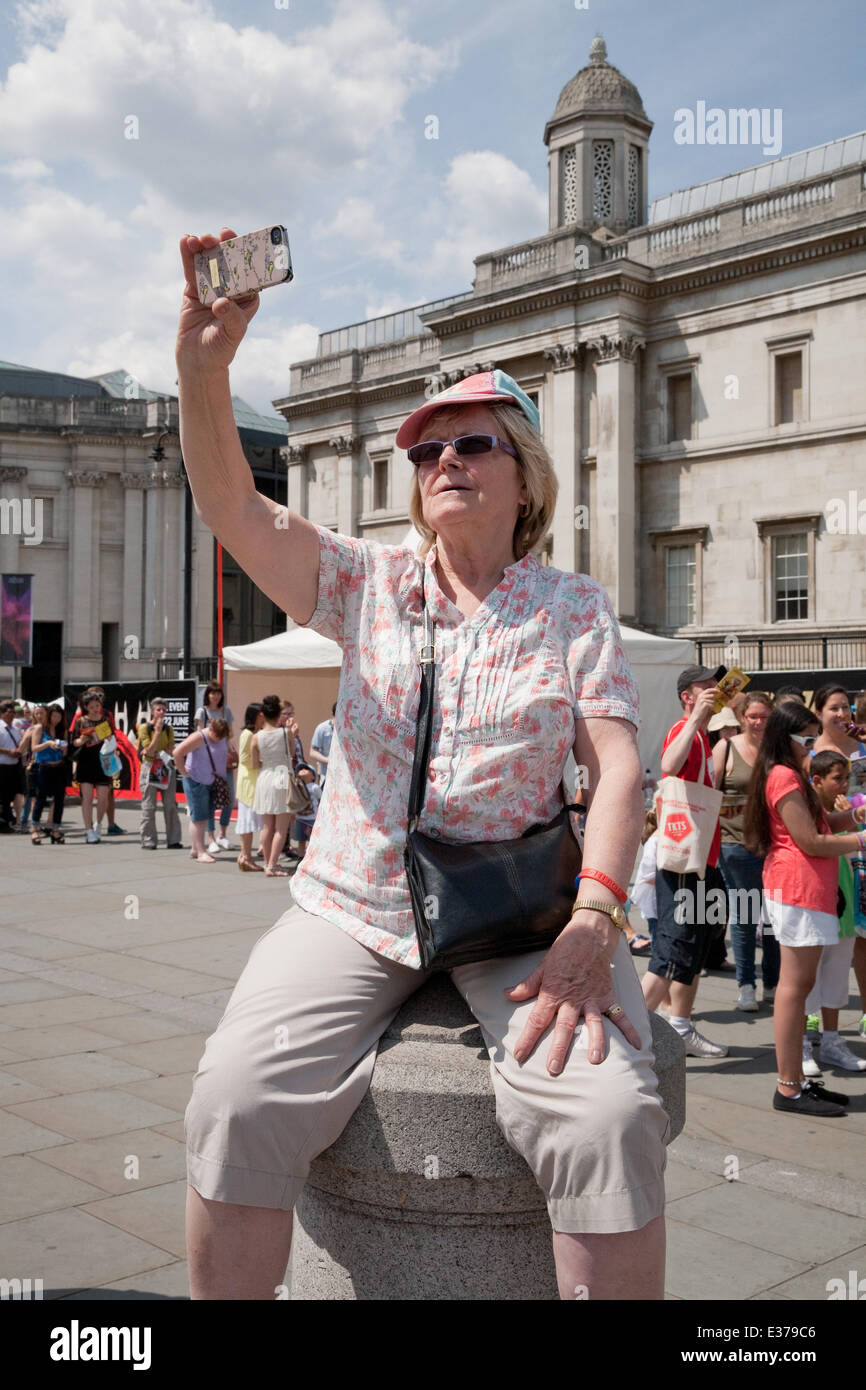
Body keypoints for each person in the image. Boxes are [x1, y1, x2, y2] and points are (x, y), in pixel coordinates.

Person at [177, 230, 668, 1302]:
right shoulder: (368, 581)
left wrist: (594, 919)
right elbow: (234, 507)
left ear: (523, 472)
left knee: (609, 1114)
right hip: (350, 901)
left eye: (470, 444)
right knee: (235, 1095)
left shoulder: (572, 606)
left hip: (519, 911)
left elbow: (620, 771)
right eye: (423, 450)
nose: (442, 461)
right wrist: (203, 370)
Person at [743, 702, 866, 1116]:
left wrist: (854, 818)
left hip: (804, 889)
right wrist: (862, 840)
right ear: (787, 738)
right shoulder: (783, 776)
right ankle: (789, 1087)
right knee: (794, 990)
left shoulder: (787, 773)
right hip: (798, 888)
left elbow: (821, 827)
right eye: (807, 739)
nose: (812, 746)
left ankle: (795, 1082)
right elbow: (810, 842)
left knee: (799, 987)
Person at [641, 665, 728, 1057]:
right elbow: (670, 766)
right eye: (705, 685)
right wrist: (694, 719)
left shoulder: (706, 739)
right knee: (672, 950)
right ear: (687, 696)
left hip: (699, 859)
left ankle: (678, 1026)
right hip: (683, 861)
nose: (714, 689)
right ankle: (631, 1036)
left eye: (716, 684)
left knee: (694, 944)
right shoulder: (685, 730)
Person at [712, 691, 779, 1011]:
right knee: (744, 917)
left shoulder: (777, 751)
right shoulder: (725, 748)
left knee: (774, 919)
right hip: (734, 845)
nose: (759, 722)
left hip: (774, 845)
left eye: (765, 716)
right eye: (753, 716)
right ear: (741, 718)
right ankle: (746, 985)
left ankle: (773, 983)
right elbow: (710, 795)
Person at [801, 750, 866, 1074]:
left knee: (837, 978)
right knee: (807, 980)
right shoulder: (808, 813)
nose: (844, 785)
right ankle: (800, 1044)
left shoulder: (848, 810)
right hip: (816, 903)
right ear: (817, 780)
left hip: (845, 908)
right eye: (837, 779)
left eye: (846, 778)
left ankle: (831, 1040)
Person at [252, 694, 297, 877]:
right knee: (281, 827)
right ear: (279, 713)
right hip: (281, 776)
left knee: (267, 826)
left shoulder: (256, 737)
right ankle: (272, 864)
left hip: (265, 777)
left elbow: (255, 764)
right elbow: (292, 754)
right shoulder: (286, 733)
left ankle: (267, 863)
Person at [174, 717, 230, 864]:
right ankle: (200, 851)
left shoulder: (221, 737)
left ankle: (195, 848)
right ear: (211, 729)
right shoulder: (199, 737)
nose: (218, 740)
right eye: (216, 736)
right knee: (198, 818)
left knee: (204, 817)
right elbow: (177, 752)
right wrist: (184, 772)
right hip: (196, 781)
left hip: (211, 781)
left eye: (221, 737)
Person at [137, 699, 183, 851]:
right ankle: (148, 840)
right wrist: (156, 732)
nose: (162, 713)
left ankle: (173, 840)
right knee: (149, 806)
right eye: (159, 710)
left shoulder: (169, 729)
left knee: (170, 804)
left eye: (164, 710)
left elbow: (170, 749)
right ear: (152, 711)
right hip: (150, 767)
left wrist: (158, 752)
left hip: (165, 766)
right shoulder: (144, 728)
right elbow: (149, 750)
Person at [195, 682, 236, 853]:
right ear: (207, 695)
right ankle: (210, 837)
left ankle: (223, 834)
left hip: (224, 757)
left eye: (218, 693)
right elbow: (200, 734)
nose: (216, 696)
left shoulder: (226, 711)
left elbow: (231, 733)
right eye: (213, 693)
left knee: (229, 797)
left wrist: (229, 744)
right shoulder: (202, 711)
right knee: (211, 800)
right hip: (208, 760)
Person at [71, 691, 113, 843]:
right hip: (85, 763)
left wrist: (109, 739)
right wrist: (81, 740)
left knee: (103, 798)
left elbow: (112, 740)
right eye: (92, 706)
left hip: (103, 762)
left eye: (98, 705)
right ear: (86, 707)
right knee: (87, 798)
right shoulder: (80, 721)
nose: (96, 709)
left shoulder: (105, 720)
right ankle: (88, 829)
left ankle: (99, 823)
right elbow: (73, 743)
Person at [30, 704, 69, 843]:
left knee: (59, 799)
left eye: (59, 716)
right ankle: (34, 829)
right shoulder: (40, 728)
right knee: (41, 798)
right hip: (44, 767)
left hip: (58, 767)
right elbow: (34, 748)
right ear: (48, 715)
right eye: (54, 716)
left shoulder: (61, 730)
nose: (56, 719)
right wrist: (48, 744)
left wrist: (64, 748)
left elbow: (65, 752)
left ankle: (55, 830)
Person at [236, 702, 265, 872]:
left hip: (251, 780)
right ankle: (246, 856)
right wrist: (263, 762)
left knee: (248, 821)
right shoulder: (248, 734)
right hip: (248, 781)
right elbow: (246, 759)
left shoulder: (253, 733)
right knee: (246, 822)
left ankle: (245, 856)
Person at [0, 699, 25, 832]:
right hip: (2, 766)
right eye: (8, 712)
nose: (11, 715)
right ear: (2, 713)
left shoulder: (15, 729)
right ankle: (3, 824)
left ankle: (8, 820)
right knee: (2, 797)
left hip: (14, 766)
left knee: (9, 795)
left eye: (12, 712)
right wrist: (8, 752)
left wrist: (19, 752)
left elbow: (20, 744)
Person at [309, 704, 336, 786]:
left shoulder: (348, 729)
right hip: (326, 774)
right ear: (333, 714)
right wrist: (327, 760)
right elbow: (313, 752)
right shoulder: (322, 728)